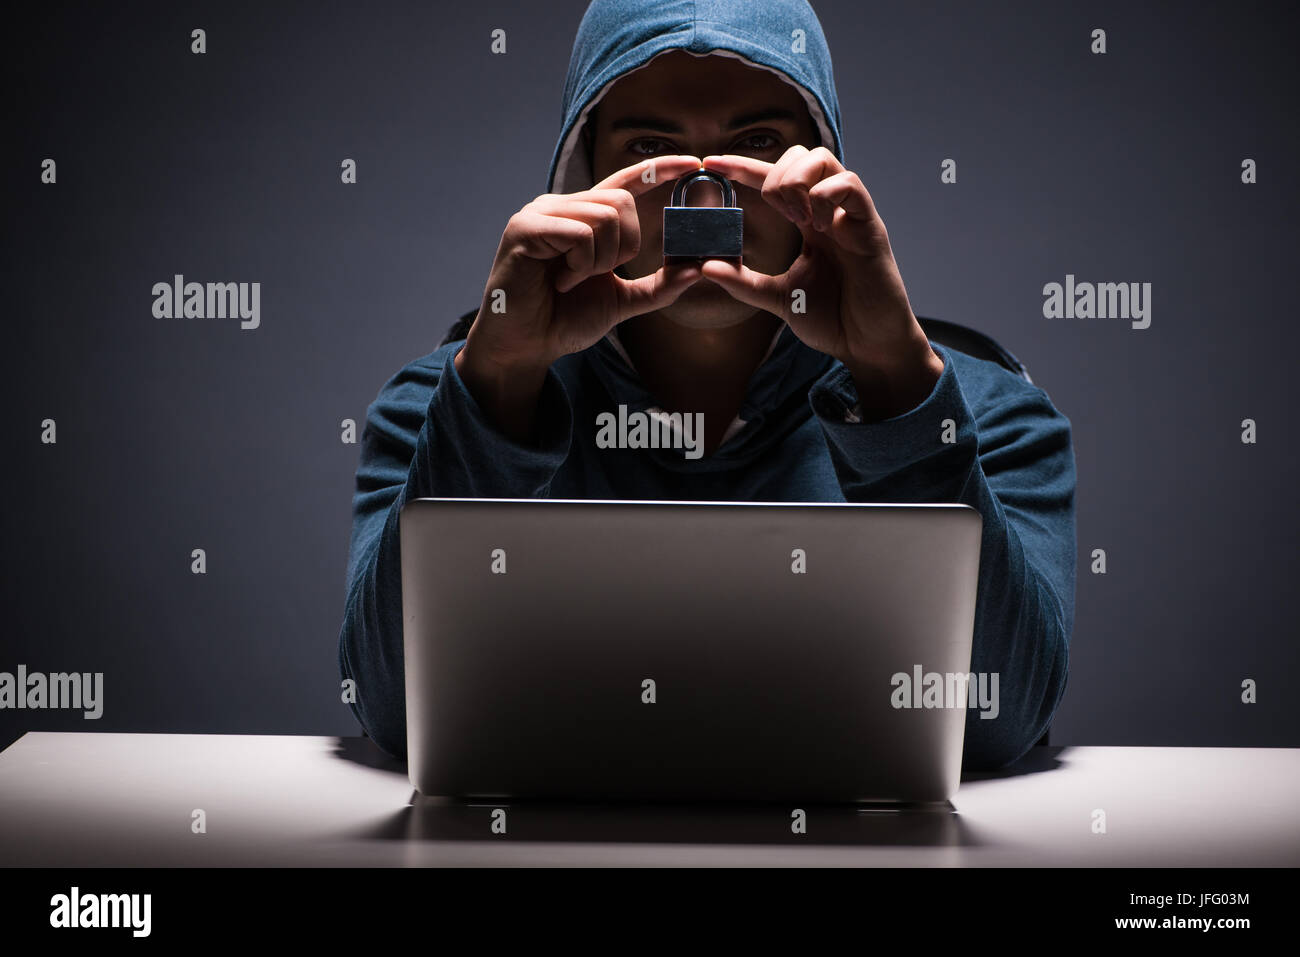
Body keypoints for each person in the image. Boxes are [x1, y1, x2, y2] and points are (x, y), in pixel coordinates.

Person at [337, 0, 1076, 771]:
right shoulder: (440, 407)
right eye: (652, 149)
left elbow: (1000, 719)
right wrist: (496, 387)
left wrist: (896, 385)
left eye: (754, 144)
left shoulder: (992, 421)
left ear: (821, 162)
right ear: (586, 175)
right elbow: (391, 708)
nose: (704, 200)